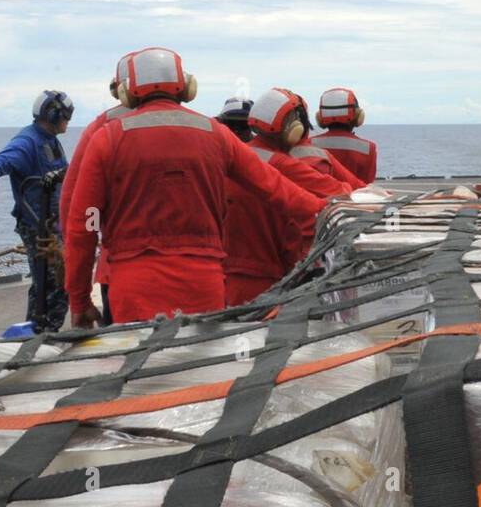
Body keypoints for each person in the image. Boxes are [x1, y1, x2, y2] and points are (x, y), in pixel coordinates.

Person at [63, 48, 324, 326]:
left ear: (127, 93)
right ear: (187, 86)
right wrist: (328, 207)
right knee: (201, 368)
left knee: (143, 367)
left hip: (134, 286)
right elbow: (275, 188)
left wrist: (79, 300)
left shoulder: (106, 139)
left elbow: (84, 224)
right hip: (203, 283)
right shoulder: (215, 134)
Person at [223, 88, 351, 306]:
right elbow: (342, 194)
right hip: (269, 276)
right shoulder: (283, 164)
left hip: (228, 272)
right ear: (292, 128)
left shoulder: (237, 155)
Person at [0, 89, 74, 330]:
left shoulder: (50, 140)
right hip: (37, 224)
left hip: (53, 223)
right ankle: (42, 331)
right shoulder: (27, 142)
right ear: (53, 115)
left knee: (49, 279)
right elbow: (1, 160)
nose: (68, 121)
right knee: (54, 280)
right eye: (66, 116)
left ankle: (39, 329)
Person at [60, 55, 133, 326]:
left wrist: (79, 300)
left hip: (123, 278)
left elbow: (79, 220)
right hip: (203, 280)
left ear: (120, 89)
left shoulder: (102, 130)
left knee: (122, 359)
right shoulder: (206, 130)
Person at [310, 87, 377, 184]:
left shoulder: (309, 145)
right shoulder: (368, 148)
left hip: (316, 199)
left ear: (320, 117)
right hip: (353, 198)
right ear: (358, 116)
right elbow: (366, 186)